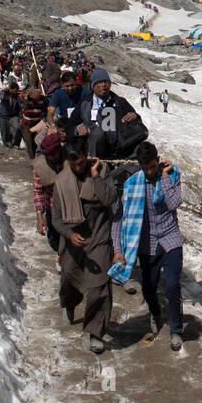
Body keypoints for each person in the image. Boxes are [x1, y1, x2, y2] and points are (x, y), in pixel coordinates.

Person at [111, 142, 184, 351]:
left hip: (170, 238)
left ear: (157, 161)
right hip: (146, 244)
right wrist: (118, 249)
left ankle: (176, 330)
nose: (150, 172)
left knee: (171, 285)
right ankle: (155, 313)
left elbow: (173, 203)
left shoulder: (171, 175)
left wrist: (164, 177)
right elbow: (119, 218)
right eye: (145, 169)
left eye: (152, 166)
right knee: (149, 287)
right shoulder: (133, 185)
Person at [53, 144, 120, 353]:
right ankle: (69, 305)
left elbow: (109, 198)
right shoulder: (61, 182)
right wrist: (69, 234)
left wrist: (95, 177)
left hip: (98, 237)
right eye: (75, 165)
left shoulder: (101, 172)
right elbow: (56, 218)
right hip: (73, 239)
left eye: (82, 163)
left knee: (99, 286)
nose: (78, 167)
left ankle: (95, 332)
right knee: (69, 279)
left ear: (86, 157)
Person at [77, 68, 145, 159]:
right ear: (93, 86)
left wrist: (135, 116)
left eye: (106, 82)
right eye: (99, 82)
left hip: (121, 144)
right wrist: (77, 127)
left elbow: (135, 119)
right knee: (98, 133)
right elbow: (71, 125)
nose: (104, 85)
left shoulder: (120, 101)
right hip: (95, 147)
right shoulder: (85, 104)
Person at [31, 130, 65, 257]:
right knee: (53, 237)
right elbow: (38, 191)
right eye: (48, 155)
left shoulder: (70, 159)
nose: (52, 157)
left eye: (54, 153)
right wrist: (39, 215)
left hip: (72, 207)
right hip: (53, 208)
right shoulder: (40, 165)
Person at [0, 80, 22, 148]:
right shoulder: (5, 94)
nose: (16, 91)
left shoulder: (17, 96)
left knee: (16, 127)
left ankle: (14, 144)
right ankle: (6, 144)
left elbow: (19, 106)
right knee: (4, 132)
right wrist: (5, 91)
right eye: (15, 90)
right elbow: (2, 97)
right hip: (4, 116)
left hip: (13, 115)